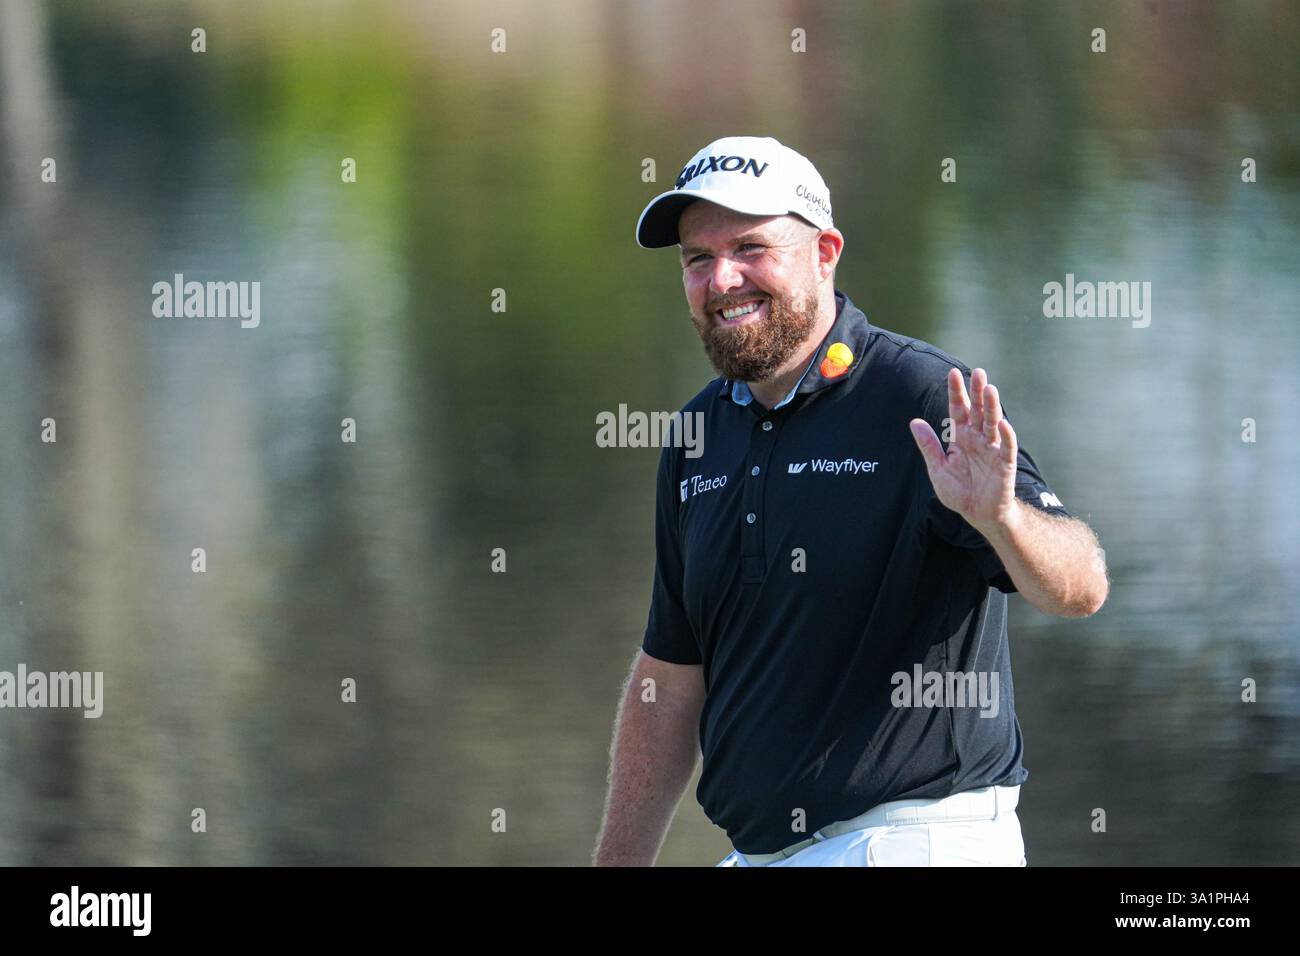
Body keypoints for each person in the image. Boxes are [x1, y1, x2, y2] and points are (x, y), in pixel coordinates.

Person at [592, 135, 1108, 867]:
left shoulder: (924, 398)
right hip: (758, 855)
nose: (723, 278)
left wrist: (1003, 519)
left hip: (911, 842)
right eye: (698, 259)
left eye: (749, 247)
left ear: (825, 253)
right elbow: (671, 679)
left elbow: (1082, 586)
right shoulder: (698, 434)